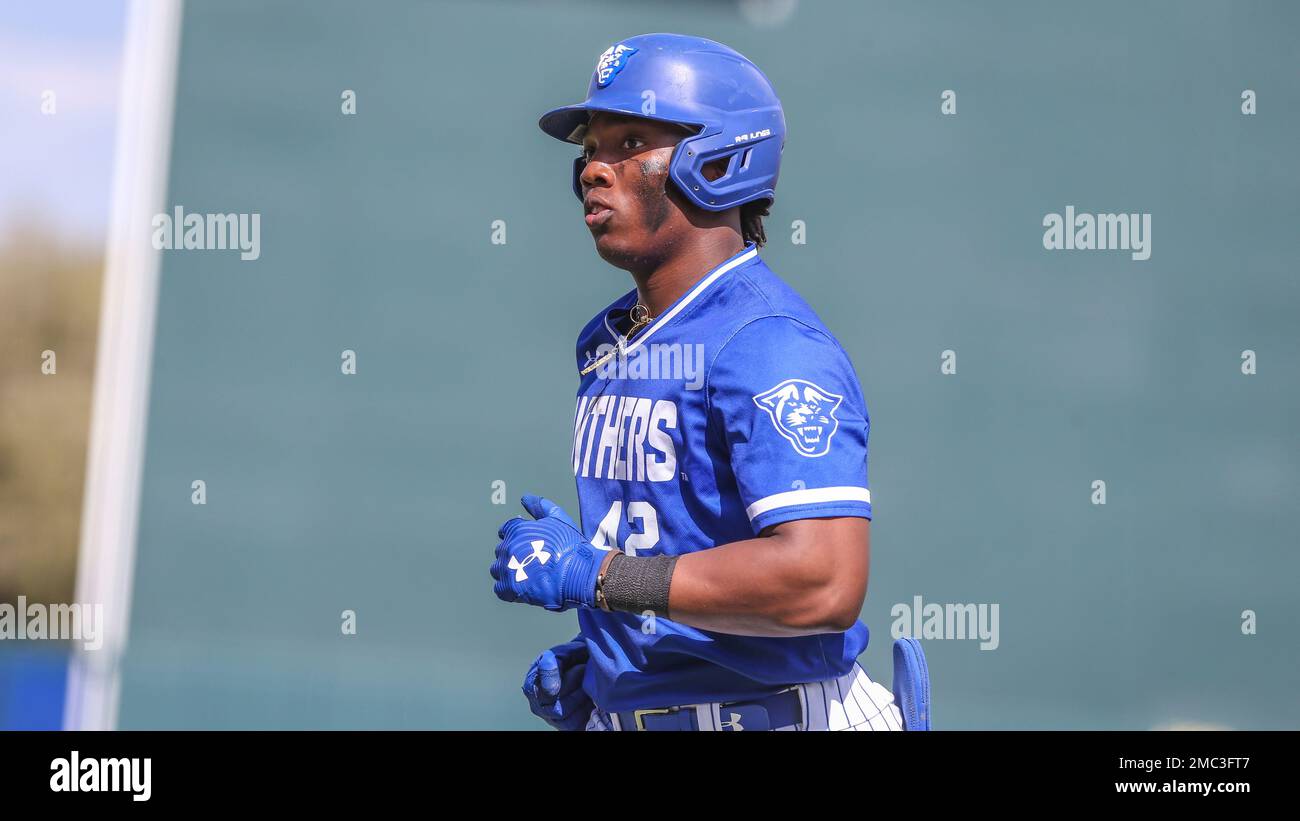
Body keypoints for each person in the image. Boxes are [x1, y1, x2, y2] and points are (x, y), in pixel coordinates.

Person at [490, 33, 926, 731]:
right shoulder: (609, 341)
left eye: (629, 143)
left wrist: (600, 578)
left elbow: (824, 580)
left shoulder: (766, 343)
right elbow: (684, 557)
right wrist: (614, 659)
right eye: (590, 150)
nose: (592, 171)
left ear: (721, 159)